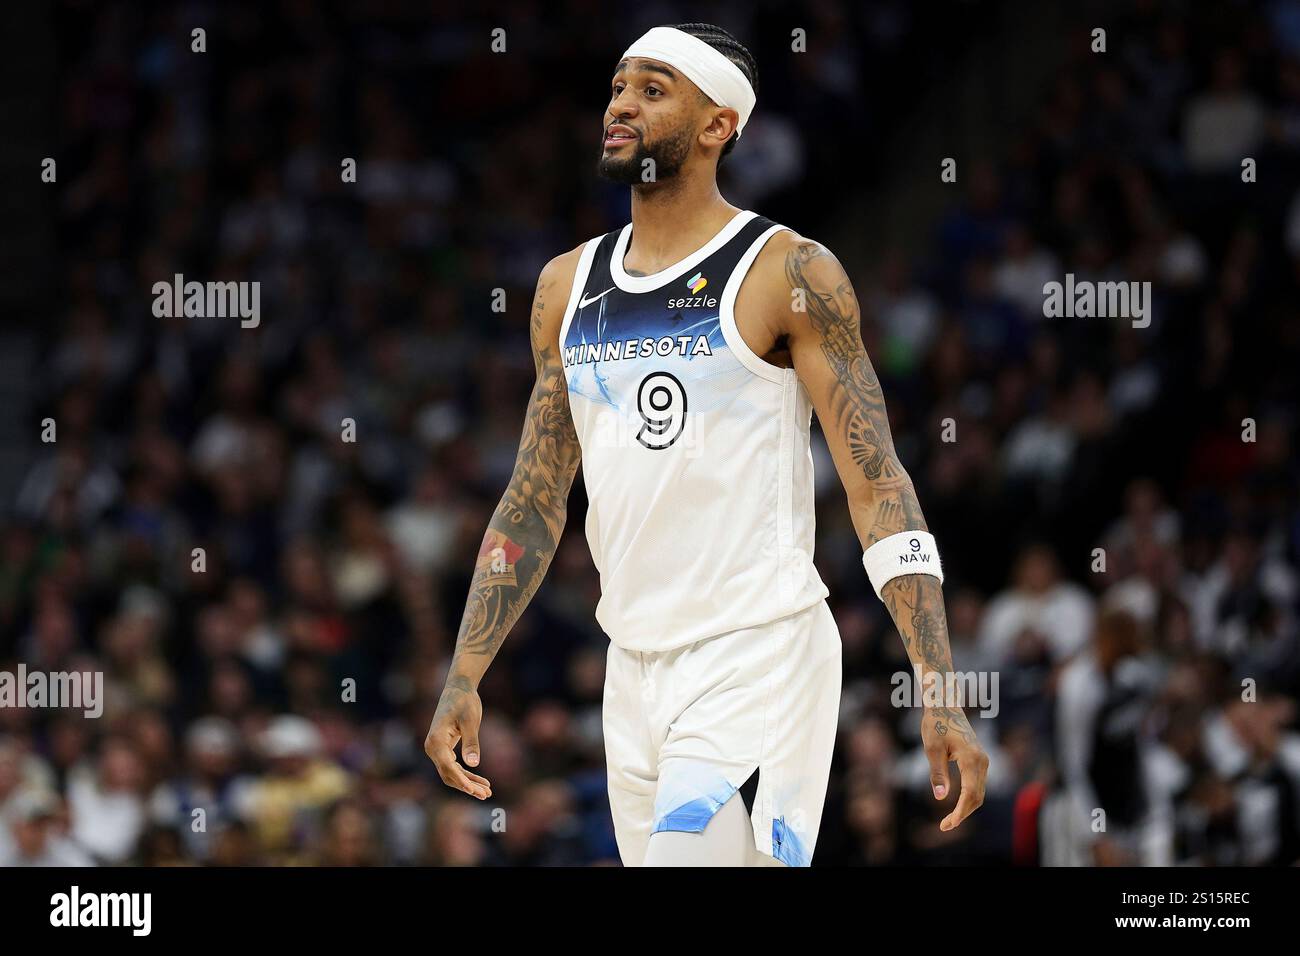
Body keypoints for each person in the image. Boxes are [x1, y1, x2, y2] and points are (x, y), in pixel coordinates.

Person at [425, 21, 989, 867]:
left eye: (653, 91)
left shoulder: (787, 271)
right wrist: (465, 673)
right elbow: (535, 500)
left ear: (719, 124)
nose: (620, 106)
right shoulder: (564, 286)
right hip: (634, 668)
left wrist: (941, 689)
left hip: (756, 650)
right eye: (618, 86)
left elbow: (880, 487)